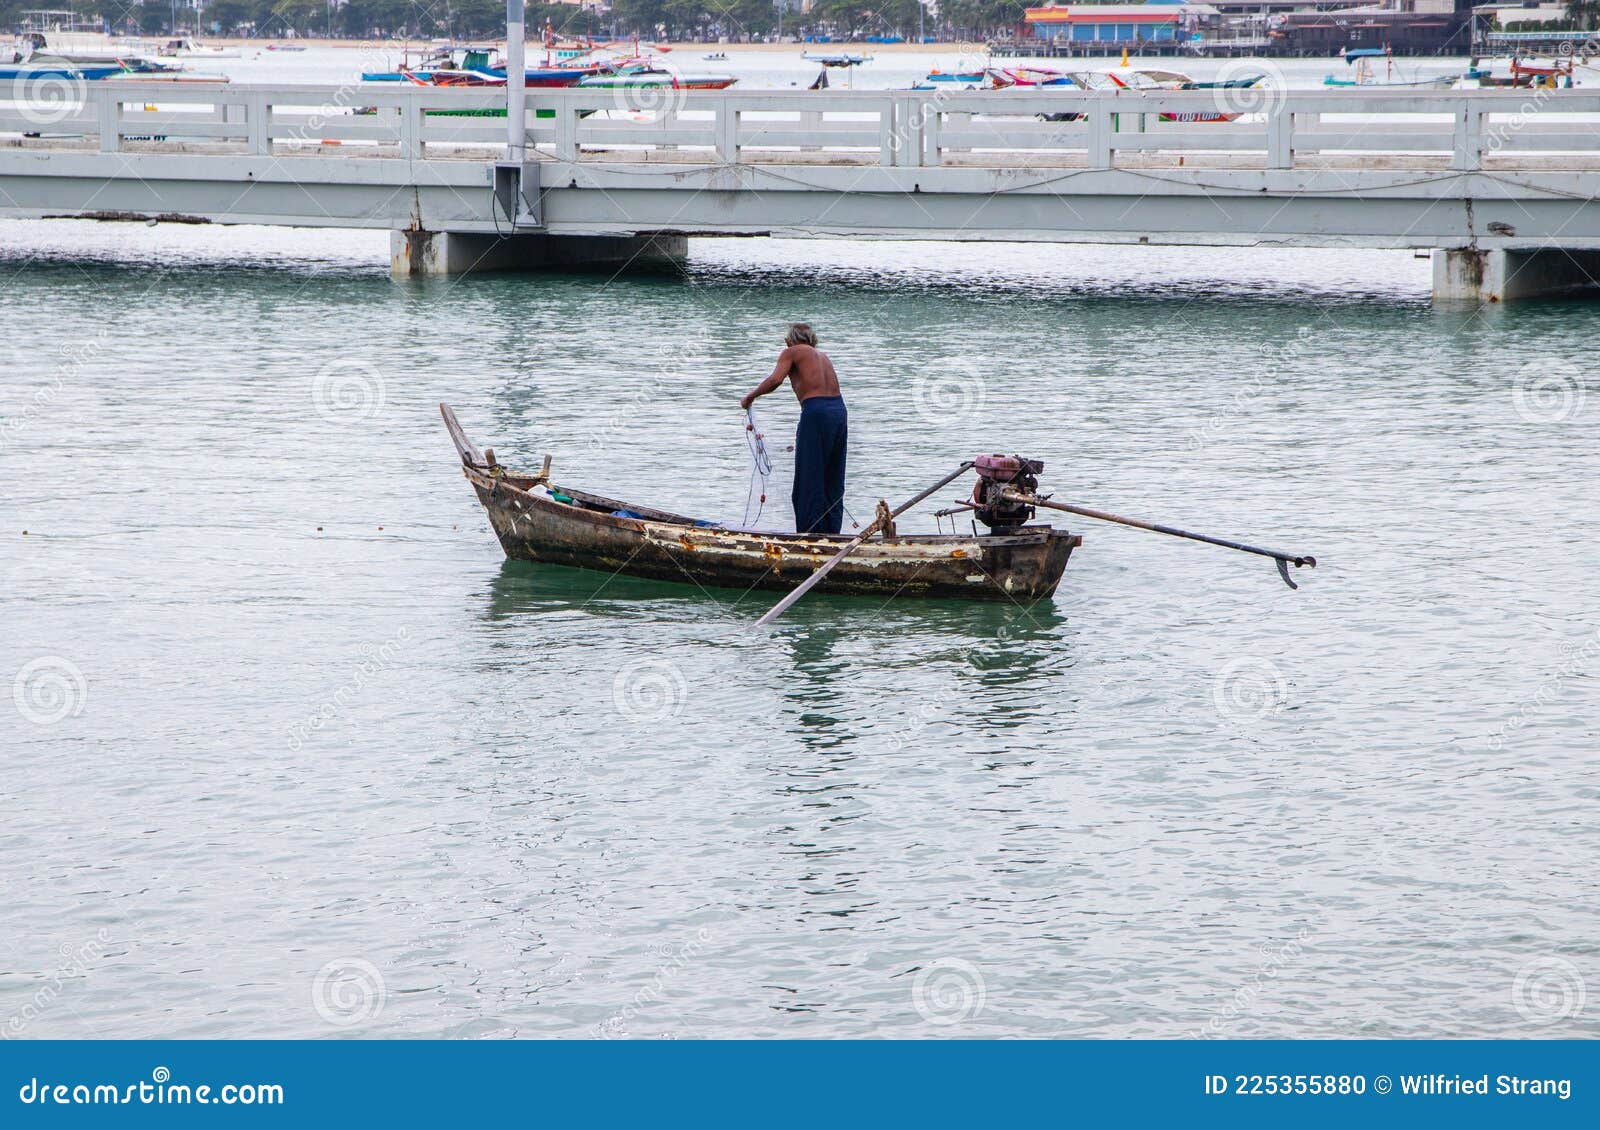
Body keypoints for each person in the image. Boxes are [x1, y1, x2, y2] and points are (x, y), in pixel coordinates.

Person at [740, 323, 848, 535]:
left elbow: (775, 380)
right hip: (839, 411)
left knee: (809, 477)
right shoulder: (822, 356)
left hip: (816, 411)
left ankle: (810, 536)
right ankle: (832, 534)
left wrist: (750, 397)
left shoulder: (791, 352)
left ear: (790, 340)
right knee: (832, 477)